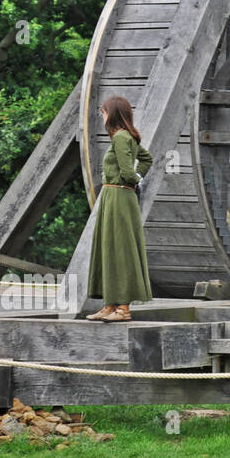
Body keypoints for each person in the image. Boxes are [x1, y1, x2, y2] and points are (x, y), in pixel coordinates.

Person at [86, 96, 154, 321]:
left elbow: (127, 171)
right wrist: (138, 177)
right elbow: (146, 158)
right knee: (109, 248)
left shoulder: (121, 138)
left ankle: (123, 309)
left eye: (104, 111)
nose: (102, 115)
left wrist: (134, 179)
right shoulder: (125, 137)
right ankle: (110, 305)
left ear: (112, 113)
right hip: (112, 196)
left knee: (121, 249)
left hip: (119, 196)